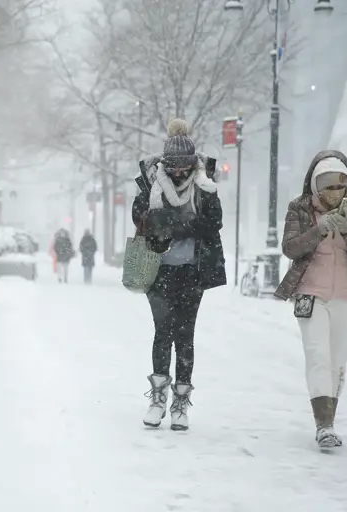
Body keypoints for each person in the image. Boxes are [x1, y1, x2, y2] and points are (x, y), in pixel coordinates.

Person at [274, 150, 347, 449]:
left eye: (340, 184)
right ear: (314, 184)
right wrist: (319, 228)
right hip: (310, 292)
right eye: (327, 184)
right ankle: (325, 425)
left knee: (337, 362)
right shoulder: (300, 208)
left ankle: (329, 418)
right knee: (318, 355)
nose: (334, 191)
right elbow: (291, 248)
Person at [132, 119, 226, 431]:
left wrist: (172, 225)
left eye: (183, 167)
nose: (177, 173)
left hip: (193, 271)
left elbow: (214, 221)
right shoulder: (150, 181)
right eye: (172, 167)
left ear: (192, 163)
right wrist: (172, 223)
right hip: (157, 271)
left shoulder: (205, 184)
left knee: (185, 336)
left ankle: (180, 403)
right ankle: (157, 398)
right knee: (163, 332)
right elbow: (140, 216)